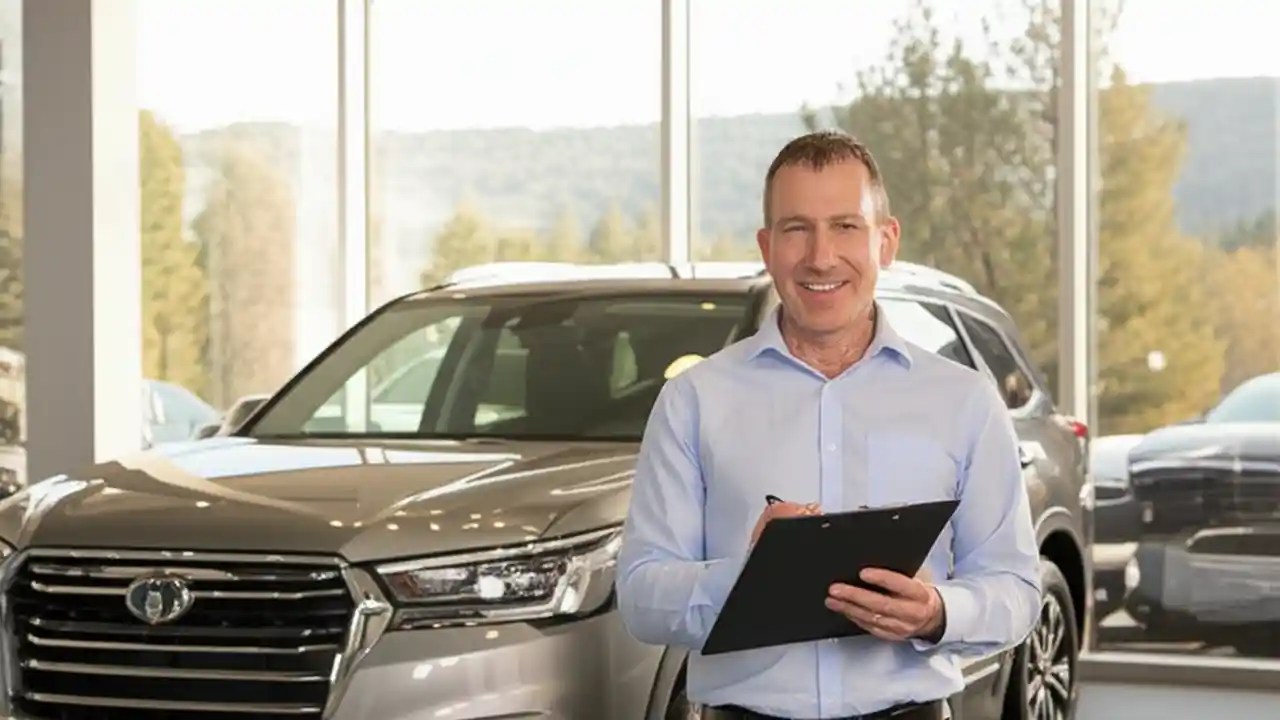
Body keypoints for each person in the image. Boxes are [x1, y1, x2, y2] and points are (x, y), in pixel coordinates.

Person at [615, 131, 1042, 720]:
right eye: (796, 228)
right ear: (767, 247)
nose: (820, 257)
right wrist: (751, 580)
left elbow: (1017, 590)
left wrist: (937, 610)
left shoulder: (963, 400)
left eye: (846, 226)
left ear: (885, 241)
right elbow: (641, 595)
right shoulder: (694, 400)